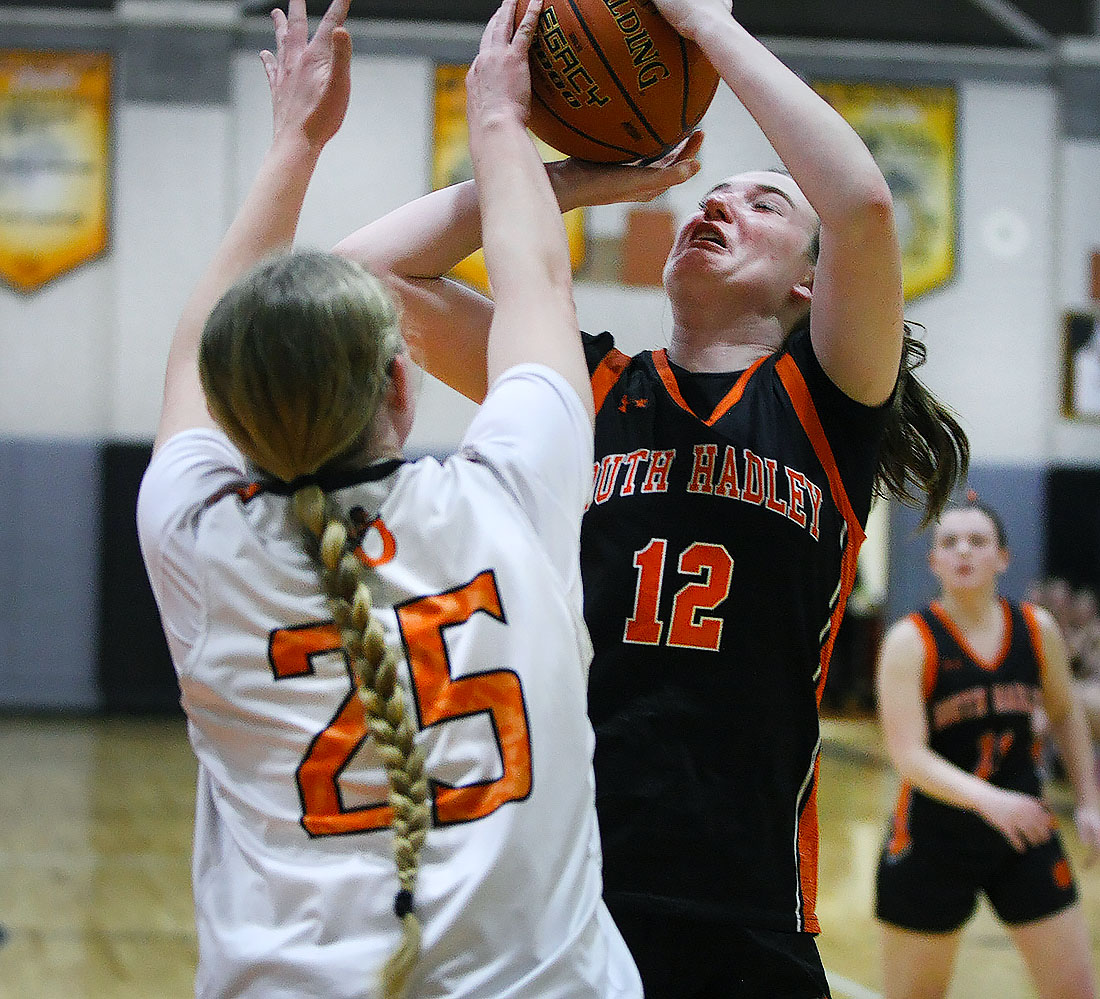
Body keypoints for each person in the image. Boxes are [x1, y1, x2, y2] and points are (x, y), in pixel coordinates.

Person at [333, 1, 970, 994]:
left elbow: (861, 209)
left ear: (811, 286)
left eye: (762, 205)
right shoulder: (580, 390)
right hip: (566, 887)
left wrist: (707, 29)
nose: (716, 206)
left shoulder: (821, 405)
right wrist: (566, 181)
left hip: (745, 901)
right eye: (711, 194)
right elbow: (357, 275)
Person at [135, 0, 642, 996]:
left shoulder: (194, 541)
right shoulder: (505, 499)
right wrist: (498, 120)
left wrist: (293, 145)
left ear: (230, 414)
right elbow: (536, 279)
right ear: (402, 388)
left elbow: (204, 333)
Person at [874, 498, 1100, 999]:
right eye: (949, 542)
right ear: (933, 561)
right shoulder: (910, 642)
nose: (963, 552)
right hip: (935, 835)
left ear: (1002, 557)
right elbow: (907, 754)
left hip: (1024, 827)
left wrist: (1089, 801)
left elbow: (1065, 713)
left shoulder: (1037, 629)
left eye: (978, 541)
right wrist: (989, 800)